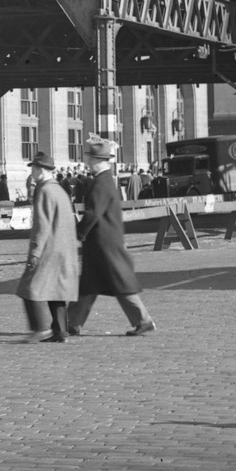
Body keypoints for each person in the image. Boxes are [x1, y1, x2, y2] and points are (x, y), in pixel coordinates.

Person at [68, 137, 156, 337]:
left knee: (120, 284)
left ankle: (143, 320)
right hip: (102, 243)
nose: (88, 163)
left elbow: (93, 213)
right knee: (89, 285)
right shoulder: (106, 180)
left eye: (90, 159)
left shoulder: (101, 182)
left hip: (103, 244)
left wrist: (78, 233)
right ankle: (72, 322)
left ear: (98, 161)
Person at [16, 152, 80, 343]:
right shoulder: (60, 190)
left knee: (28, 288)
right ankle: (60, 331)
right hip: (64, 248)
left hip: (49, 250)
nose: (32, 173)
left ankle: (40, 328)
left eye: (34, 169)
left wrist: (34, 253)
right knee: (56, 290)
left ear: (40, 170)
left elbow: (41, 225)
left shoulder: (44, 191)